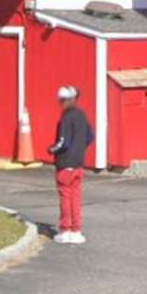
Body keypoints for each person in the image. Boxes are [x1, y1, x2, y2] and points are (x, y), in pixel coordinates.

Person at [48, 85, 93, 244]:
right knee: (76, 197)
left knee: (65, 197)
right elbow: (90, 136)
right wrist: (79, 149)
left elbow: (63, 142)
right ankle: (76, 230)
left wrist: (51, 149)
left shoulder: (66, 118)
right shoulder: (81, 115)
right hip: (78, 163)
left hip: (65, 163)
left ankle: (65, 230)